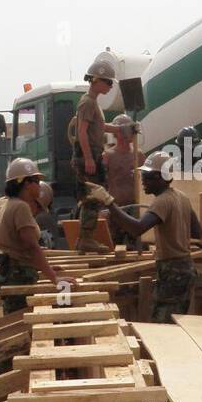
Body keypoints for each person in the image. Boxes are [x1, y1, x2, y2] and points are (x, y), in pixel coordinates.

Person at [90, 151, 202, 323]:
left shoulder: (162, 201)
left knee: (163, 328)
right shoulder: (182, 197)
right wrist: (175, 234)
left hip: (173, 271)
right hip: (185, 268)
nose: (142, 180)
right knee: (176, 324)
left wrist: (109, 202)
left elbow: (137, 229)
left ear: (160, 177)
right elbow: (197, 232)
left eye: (146, 176)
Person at [0, 158, 77, 313]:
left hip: (14, 273)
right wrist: (54, 278)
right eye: (36, 181)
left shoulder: (10, 204)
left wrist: (45, 268)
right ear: (26, 183)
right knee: (23, 328)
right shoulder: (21, 207)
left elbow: (21, 249)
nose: (39, 185)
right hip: (18, 277)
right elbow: (32, 247)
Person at [73, 56, 127, 254]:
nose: (111, 86)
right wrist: (88, 157)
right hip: (88, 154)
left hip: (92, 153)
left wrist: (119, 129)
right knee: (93, 197)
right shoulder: (87, 102)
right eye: (108, 82)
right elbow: (81, 132)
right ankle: (86, 239)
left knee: (93, 196)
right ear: (96, 80)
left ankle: (84, 238)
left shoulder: (92, 103)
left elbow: (98, 126)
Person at [105, 114, 140, 249]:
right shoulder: (108, 156)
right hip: (115, 209)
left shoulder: (139, 156)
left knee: (136, 246)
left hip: (135, 209)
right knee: (114, 246)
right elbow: (101, 185)